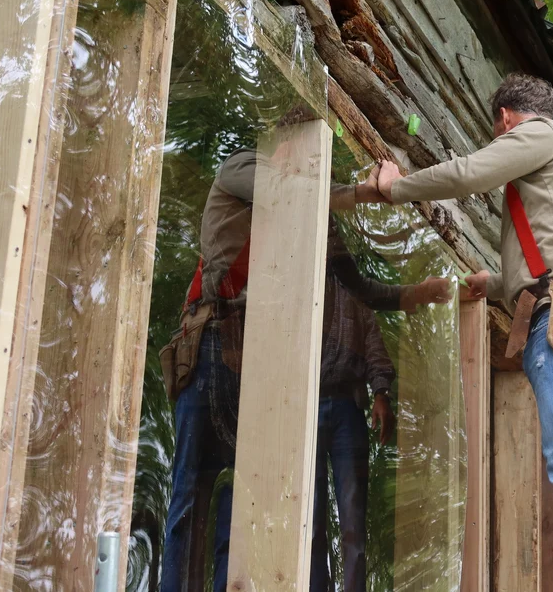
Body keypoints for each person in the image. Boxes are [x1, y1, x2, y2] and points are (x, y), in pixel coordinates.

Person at [376, 73, 553, 592]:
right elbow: (549, 254)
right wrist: (494, 282)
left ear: (504, 119)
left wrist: (396, 187)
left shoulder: (541, 134)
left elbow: (469, 174)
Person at [160, 144, 450, 592]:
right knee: (191, 495)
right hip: (214, 348)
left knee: (241, 504)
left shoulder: (310, 221)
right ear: (283, 146)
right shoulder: (243, 168)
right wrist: (361, 191)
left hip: (259, 366)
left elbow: (359, 288)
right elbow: (286, 191)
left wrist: (414, 294)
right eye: (307, 158)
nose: (311, 169)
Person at [310, 266, 397, 592]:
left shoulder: (352, 289)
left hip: (348, 407)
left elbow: (373, 339)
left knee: (352, 516)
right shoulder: (294, 282)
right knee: (311, 516)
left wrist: (381, 392)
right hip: (305, 411)